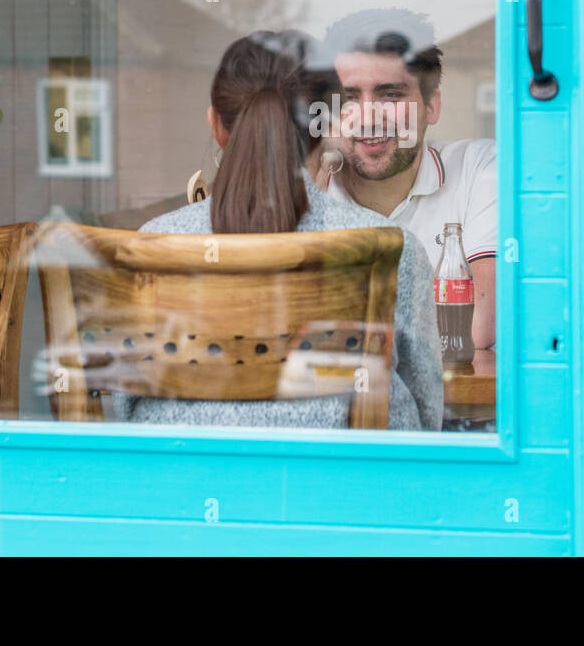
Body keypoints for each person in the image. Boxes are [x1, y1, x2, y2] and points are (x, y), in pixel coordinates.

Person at [110, 31, 443, 431]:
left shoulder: (153, 245)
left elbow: (124, 404)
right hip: (344, 485)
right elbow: (425, 419)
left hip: (181, 480)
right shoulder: (389, 247)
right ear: (326, 123)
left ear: (215, 122)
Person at [318, 9, 498, 349]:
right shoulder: (304, 185)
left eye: (390, 95)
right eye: (349, 98)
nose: (368, 116)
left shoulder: (480, 167)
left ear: (431, 106)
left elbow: (476, 325)